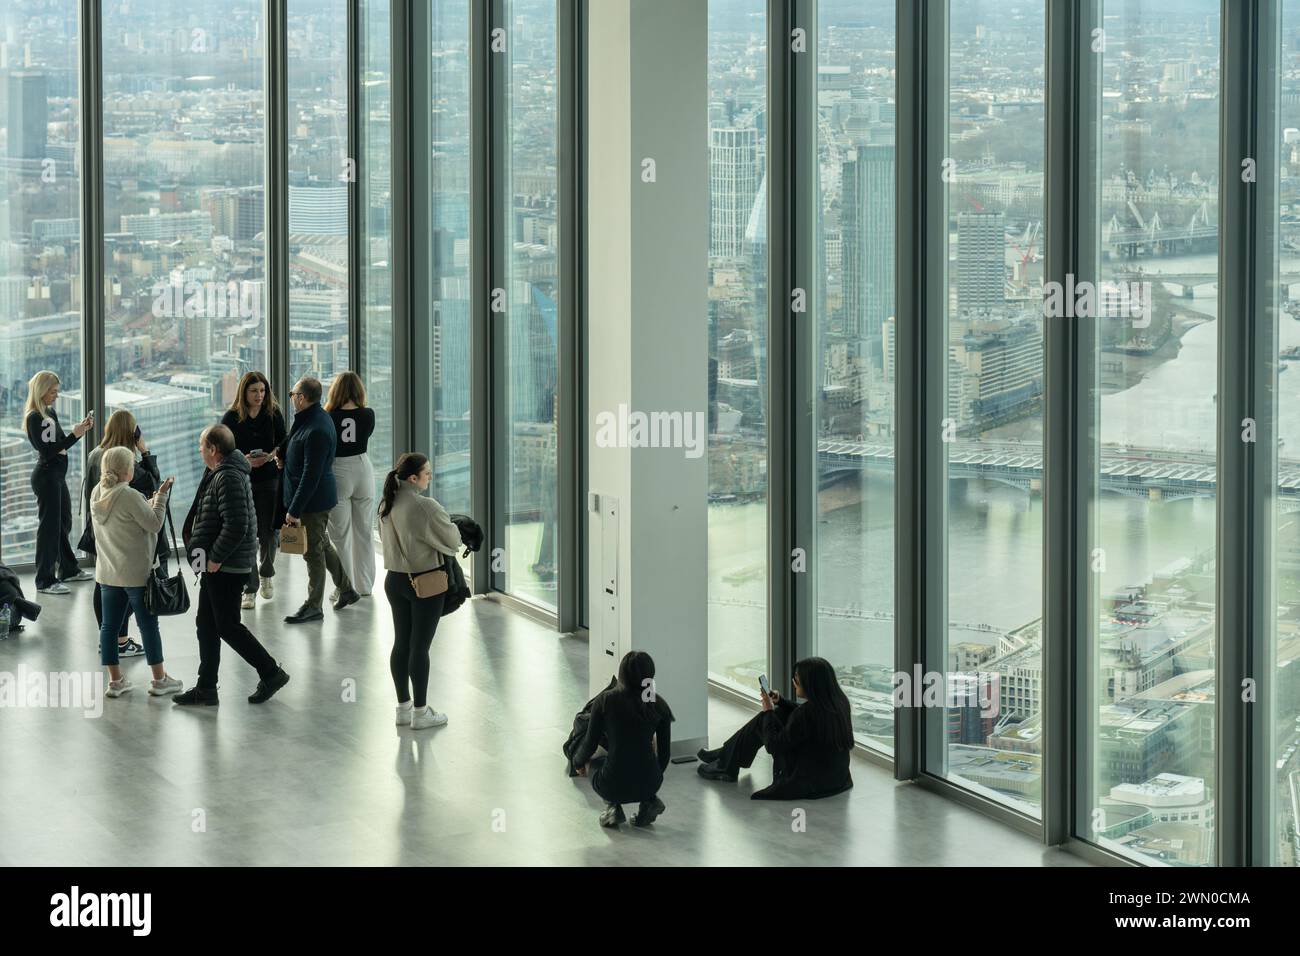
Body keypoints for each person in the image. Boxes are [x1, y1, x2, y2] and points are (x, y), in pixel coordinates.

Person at [173, 425, 289, 706]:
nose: (199, 451)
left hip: (227, 566)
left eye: (202, 447)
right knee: (207, 625)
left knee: (227, 626)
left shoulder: (228, 477)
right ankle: (206, 688)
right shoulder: (223, 474)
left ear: (213, 449)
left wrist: (215, 558)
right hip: (221, 566)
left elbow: (237, 525)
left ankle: (271, 672)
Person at [90, 446, 183, 698]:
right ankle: (159, 680)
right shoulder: (129, 495)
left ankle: (116, 681)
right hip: (136, 574)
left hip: (108, 573)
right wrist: (161, 498)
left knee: (109, 627)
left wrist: (148, 503)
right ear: (127, 472)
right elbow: (153, 524)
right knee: (148, 626)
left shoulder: (97, 492)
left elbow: (126, 520)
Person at [377, 453, 461, 729]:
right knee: (420, 647)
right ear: (413, 478)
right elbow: (452, 541)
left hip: (394, 581)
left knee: (401, 643)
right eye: (427, 473)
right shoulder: (424, 506)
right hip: (425, 582)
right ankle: (422, 713)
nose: (430, 477)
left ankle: (404, 707)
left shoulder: (386, 503)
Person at [697, 656, 854, 800]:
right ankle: (726, 755)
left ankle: (725, 760)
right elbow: (805, 717)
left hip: (808, 782)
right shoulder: (839, 702)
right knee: (778, 713)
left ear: (810, 684)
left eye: (797, 680)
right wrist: (781, 701)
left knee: (766, 719)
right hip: (836, 779)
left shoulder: (806, 714)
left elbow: (774, 746)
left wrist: (768, 712)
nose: (793, 682)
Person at [83, 410, 168, 658]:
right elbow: (153, 485)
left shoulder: (96, 455)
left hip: (101, 529)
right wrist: (146, 451)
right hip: (128, 537)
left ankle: (112, 642)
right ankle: (123, 643)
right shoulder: (125, 463)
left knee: (105, 586)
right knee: (137, 600)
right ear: (133, 432)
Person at [276, 376, 359, 623]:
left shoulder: (318, 428)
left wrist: (295, 509)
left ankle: (314, 606)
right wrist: (282, 453)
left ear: (301, 398)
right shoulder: (309, 419)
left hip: (312, 503)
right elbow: (293, 438)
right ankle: (347, 589)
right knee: (322, 544)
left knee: (312, 552)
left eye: (293, 394)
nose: (291, 398)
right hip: (312, 500)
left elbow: (311, 476)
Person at [569, 651, 674, 827]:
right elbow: (664, 756)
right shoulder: (659, 705)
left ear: (622, 673)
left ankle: (613, 808)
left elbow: (590, 744)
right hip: (651, 783)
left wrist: (577, 762)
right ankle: (649, 802)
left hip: (612, 784)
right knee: (644, 757)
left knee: (595, 762)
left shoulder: (605, 701)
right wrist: (650, 780)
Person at [220, 371, 287, 610]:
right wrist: (244, 461)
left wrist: (272, 455)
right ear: (244, 392)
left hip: (269, 479)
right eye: (254, 391)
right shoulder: (231, 417)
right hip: (241, 480)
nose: (259, 395)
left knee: (269, 531)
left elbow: (284, 441)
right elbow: (222, 449)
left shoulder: (273, 414)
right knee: (248, 533)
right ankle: (250, 588)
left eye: (262, 391)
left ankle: (266, 571)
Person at [23, 370, 94, 594]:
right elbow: (48, 452)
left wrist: (78, 431)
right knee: (49, 528)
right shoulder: (35, 417)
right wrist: (75, 435)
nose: (57, 395)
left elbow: (61, 442)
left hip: (56, 476)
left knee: (63, 522)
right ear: (41, 391)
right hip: (47, 477)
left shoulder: (49, 413)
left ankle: (68, 569)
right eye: (53, 391)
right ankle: (45, 580)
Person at [324, 371, 376, 599]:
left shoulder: (329, 416)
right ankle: (365, 586)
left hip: (339, 470)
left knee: (340, 535)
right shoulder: (368, 414)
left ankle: (345, 587)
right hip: (363, 468)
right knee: (364, 531)